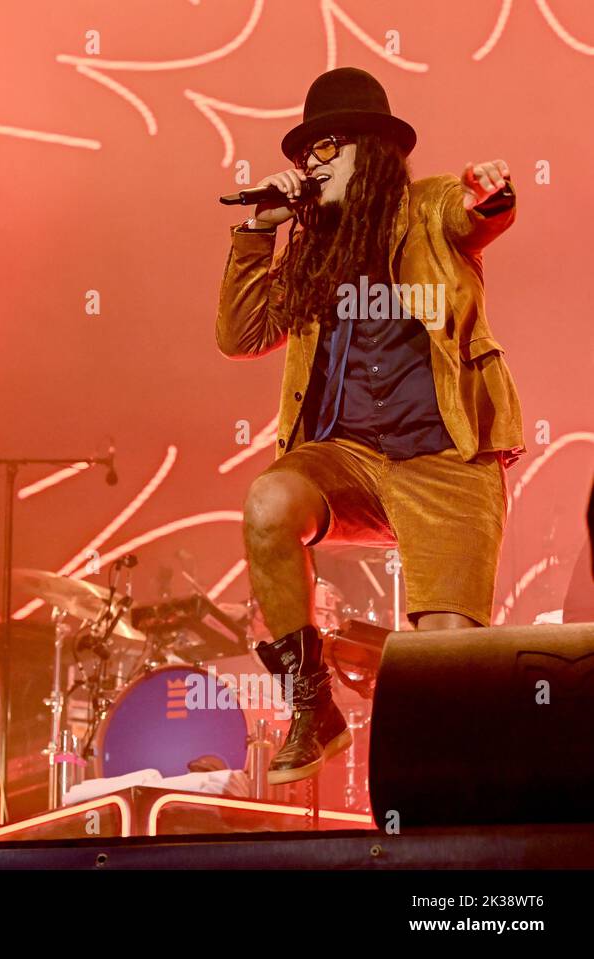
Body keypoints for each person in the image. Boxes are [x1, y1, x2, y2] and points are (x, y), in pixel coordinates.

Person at [216, 67, 522, 784]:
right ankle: (310, 704)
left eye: (331, 148)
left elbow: (476, 212)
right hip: (345, 460)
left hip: (443, 459)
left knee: (442, 663)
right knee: (267, 500)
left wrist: (491, 193)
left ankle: (452, 817)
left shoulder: (429, 205)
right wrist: (260, 229)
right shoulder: (314, 250)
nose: (313, 164)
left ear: (375, 151)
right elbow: (239, 334)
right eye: (307, 153)